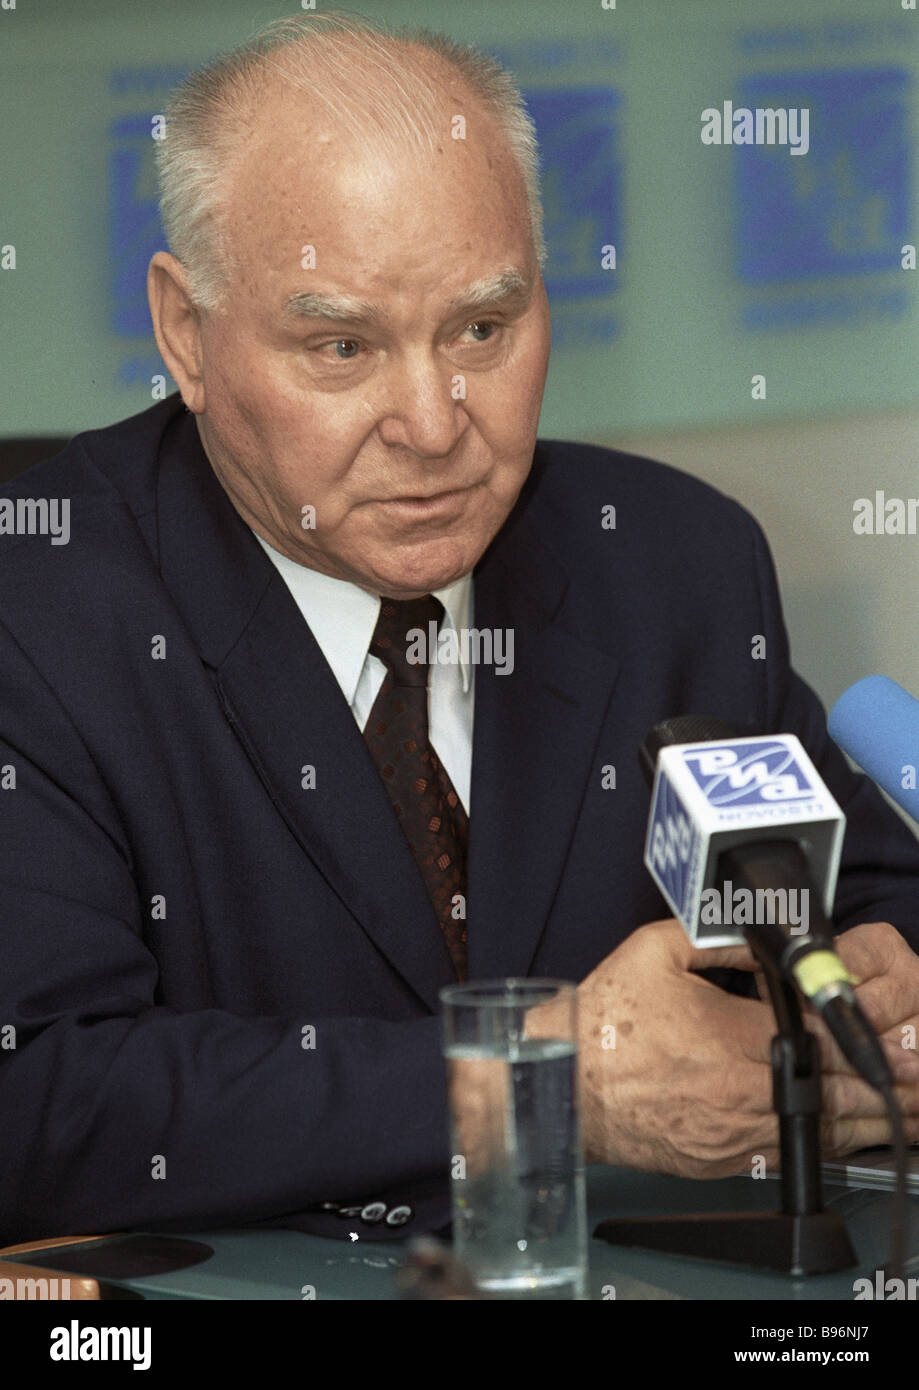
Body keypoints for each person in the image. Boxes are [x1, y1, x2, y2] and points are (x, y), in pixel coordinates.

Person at [1, 12, 918, 1249]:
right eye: (341, 346)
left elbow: (861, 899)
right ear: (186, 333)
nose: (434, 426)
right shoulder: (37, 604)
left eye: (482, 329)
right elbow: (44, 1096)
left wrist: (877, 993)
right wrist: (544, 1077)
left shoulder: (668, 562)